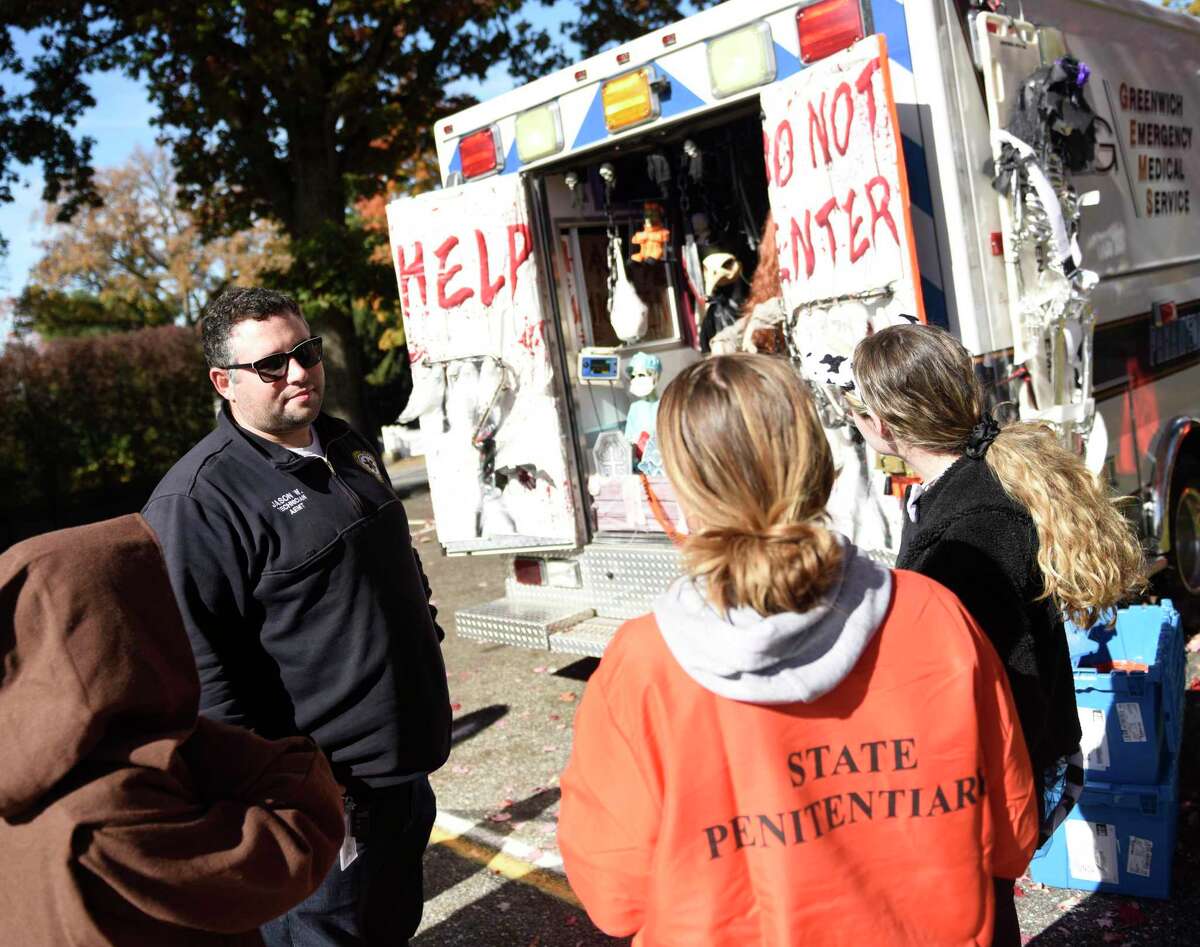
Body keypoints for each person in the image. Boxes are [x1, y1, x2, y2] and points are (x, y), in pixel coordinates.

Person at [558, 353, 1039, 946]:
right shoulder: (934, 616)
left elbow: (616, 896)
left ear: (683, 490)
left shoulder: (643, 666)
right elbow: (1012, 834)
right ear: (819, 463)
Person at [142, 288, 452, 946]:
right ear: (224, 382)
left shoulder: (345, 442)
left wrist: (420, 624)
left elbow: (395, 559)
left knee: (392, 927)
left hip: (402, 774)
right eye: (272, 364)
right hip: (320, 804)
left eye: (306, 352)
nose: (299, 371)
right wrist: (282, 795)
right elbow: (200, 673)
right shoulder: (199, 501)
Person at [849, 323, 1146, 944]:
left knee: (978, 917)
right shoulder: (960, 492)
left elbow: (974, 691)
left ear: (883, 422)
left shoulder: (968, 527)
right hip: (1012, 763)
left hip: (997, 773)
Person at [0, 514, 344, 946]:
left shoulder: (22, 762)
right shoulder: (107, 813)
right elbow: (290, 844)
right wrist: (189, 733)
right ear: (119, 633)